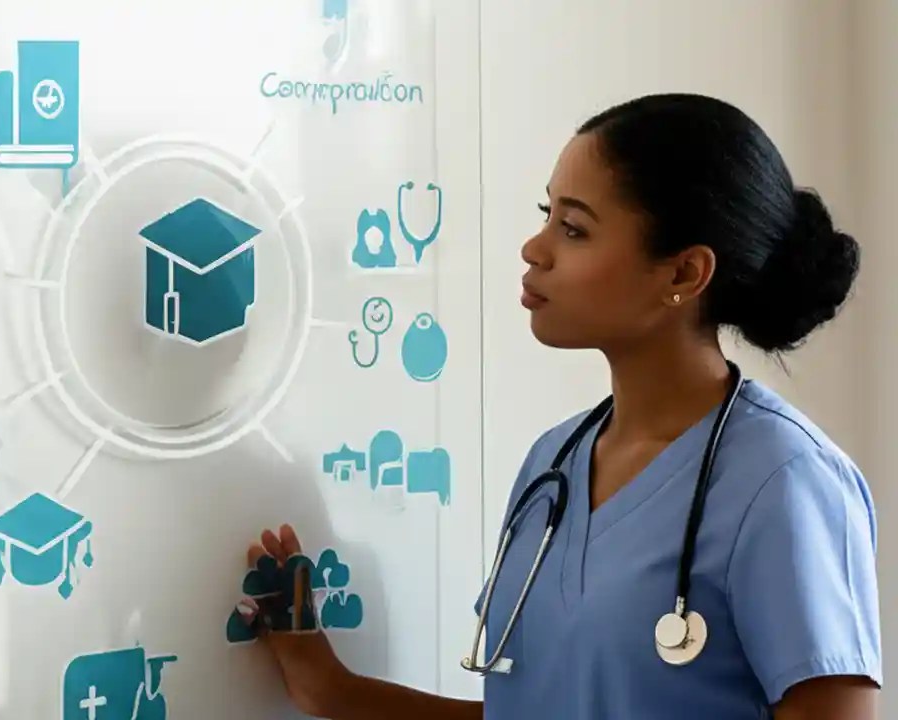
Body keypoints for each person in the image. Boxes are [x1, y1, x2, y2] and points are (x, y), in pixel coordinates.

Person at [235, 93, 882, 719]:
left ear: (684, 274)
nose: (534, 248)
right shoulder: (554, 465)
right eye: (547, 215)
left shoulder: (783, 481)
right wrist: (328, 687)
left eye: (573, 229)